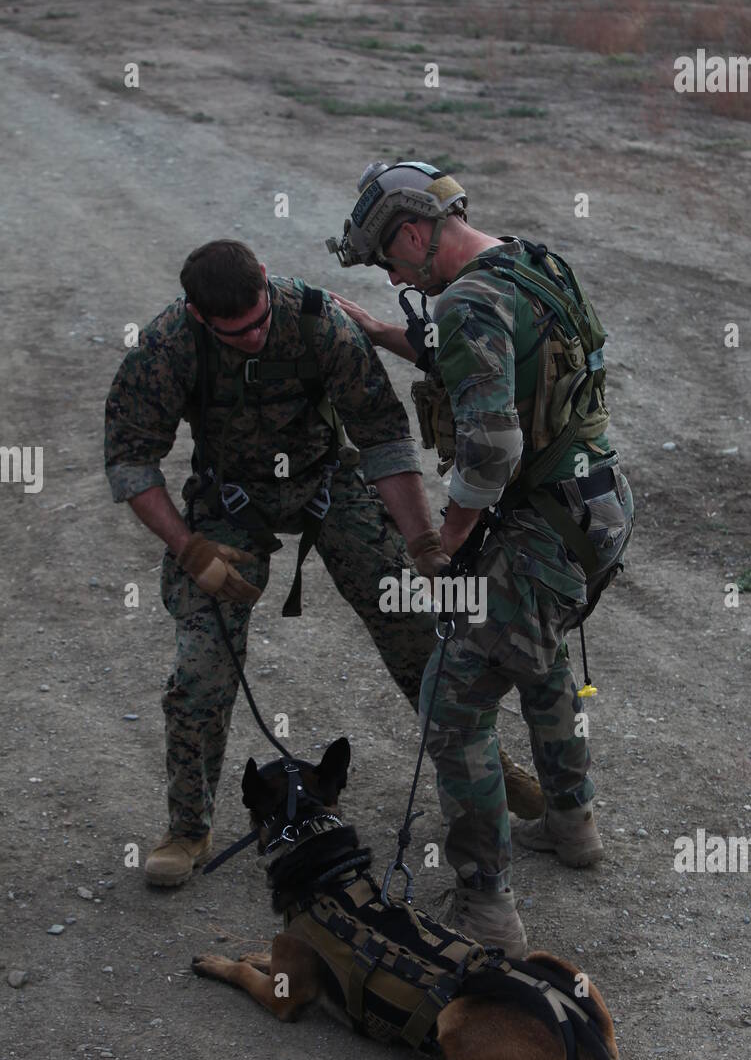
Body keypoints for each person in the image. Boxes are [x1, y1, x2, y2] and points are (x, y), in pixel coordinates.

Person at [105, 239, 540, 886]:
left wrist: (424, 544)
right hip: (232, 500)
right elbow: (131, 458)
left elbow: (383, 436)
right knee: (199, 672)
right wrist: (189, 548)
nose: (253, 337)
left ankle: (485, 762)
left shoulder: (317, 323)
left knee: (415, 621)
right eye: (235, 332)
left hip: (327, 482)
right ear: (199, 317)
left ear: (265, 287)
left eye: (259, 321)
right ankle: (189, 828)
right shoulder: (169, 344)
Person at [329, 162, 634, 956]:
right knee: (538, 660)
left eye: (389, 260)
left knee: (453, 698)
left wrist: (445, 542)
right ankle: (572, 823)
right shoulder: (529, 262)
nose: (395, 276)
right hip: (595, 507)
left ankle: (487, 906)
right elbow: (506, 364)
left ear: (413, 232)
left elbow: (492, 449)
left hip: (540, 529)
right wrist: (383, 333)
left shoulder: (465, 301)